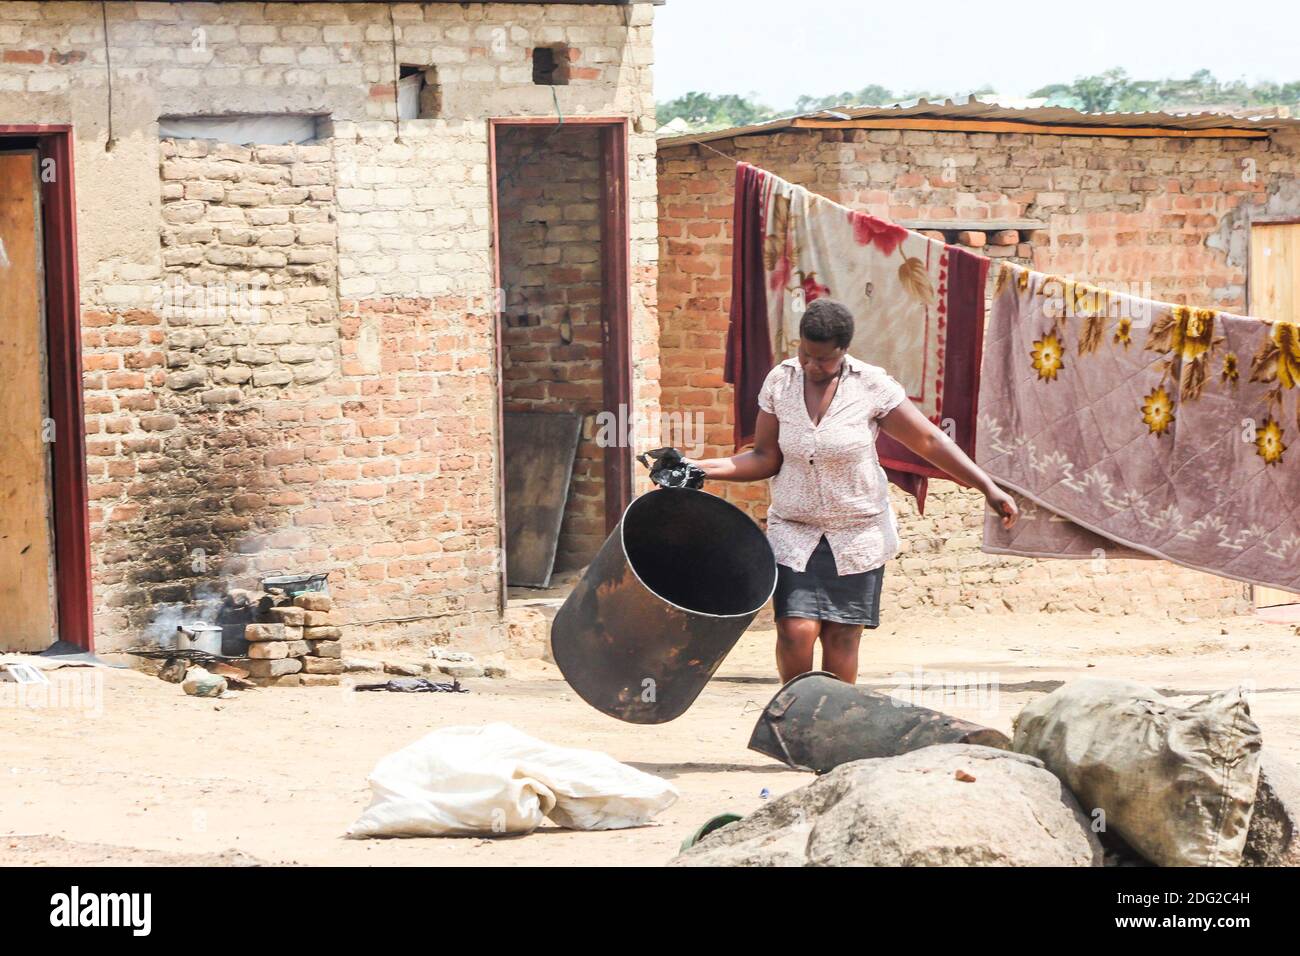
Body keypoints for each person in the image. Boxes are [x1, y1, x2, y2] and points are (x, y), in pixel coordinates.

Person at [691, 298, 1019, 685]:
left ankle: (832, 725)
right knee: (795, 631)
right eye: (805, 355)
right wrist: (699, 468)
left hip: (857, 533)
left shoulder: (872, 386)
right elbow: (764, 457)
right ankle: (794, 717)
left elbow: (930, 441)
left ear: (844, 351)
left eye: (823, 360)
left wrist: (987, 486)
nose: (812, 366)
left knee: (842, 636)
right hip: (796, 530)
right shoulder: (781, 381)